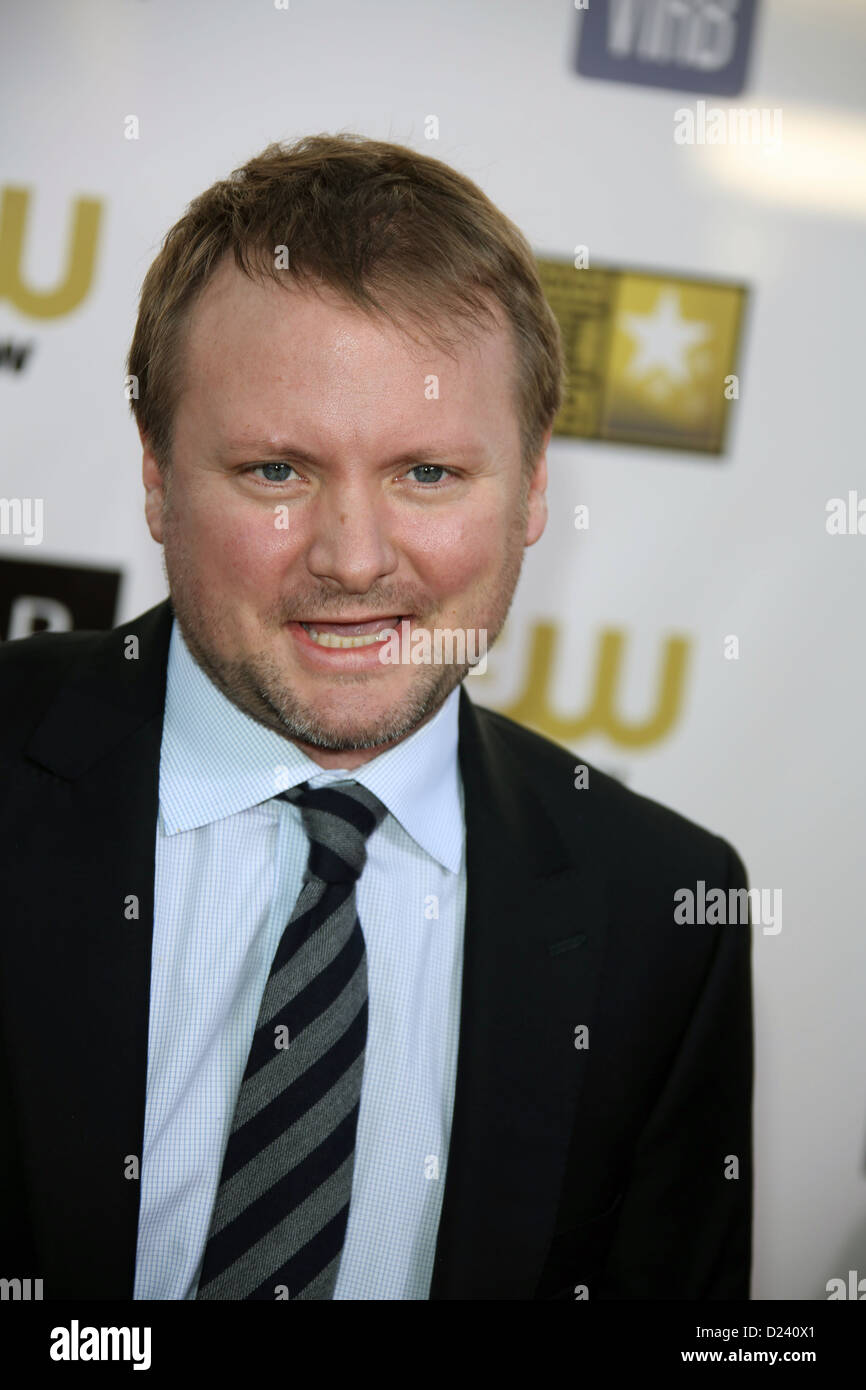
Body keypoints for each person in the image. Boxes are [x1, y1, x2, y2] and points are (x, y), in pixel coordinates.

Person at [0, 134, 753, 1300]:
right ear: (155, 476)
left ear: (535, 485)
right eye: (274, 472)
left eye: (427, 474)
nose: (353, 562)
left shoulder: (661, 915)